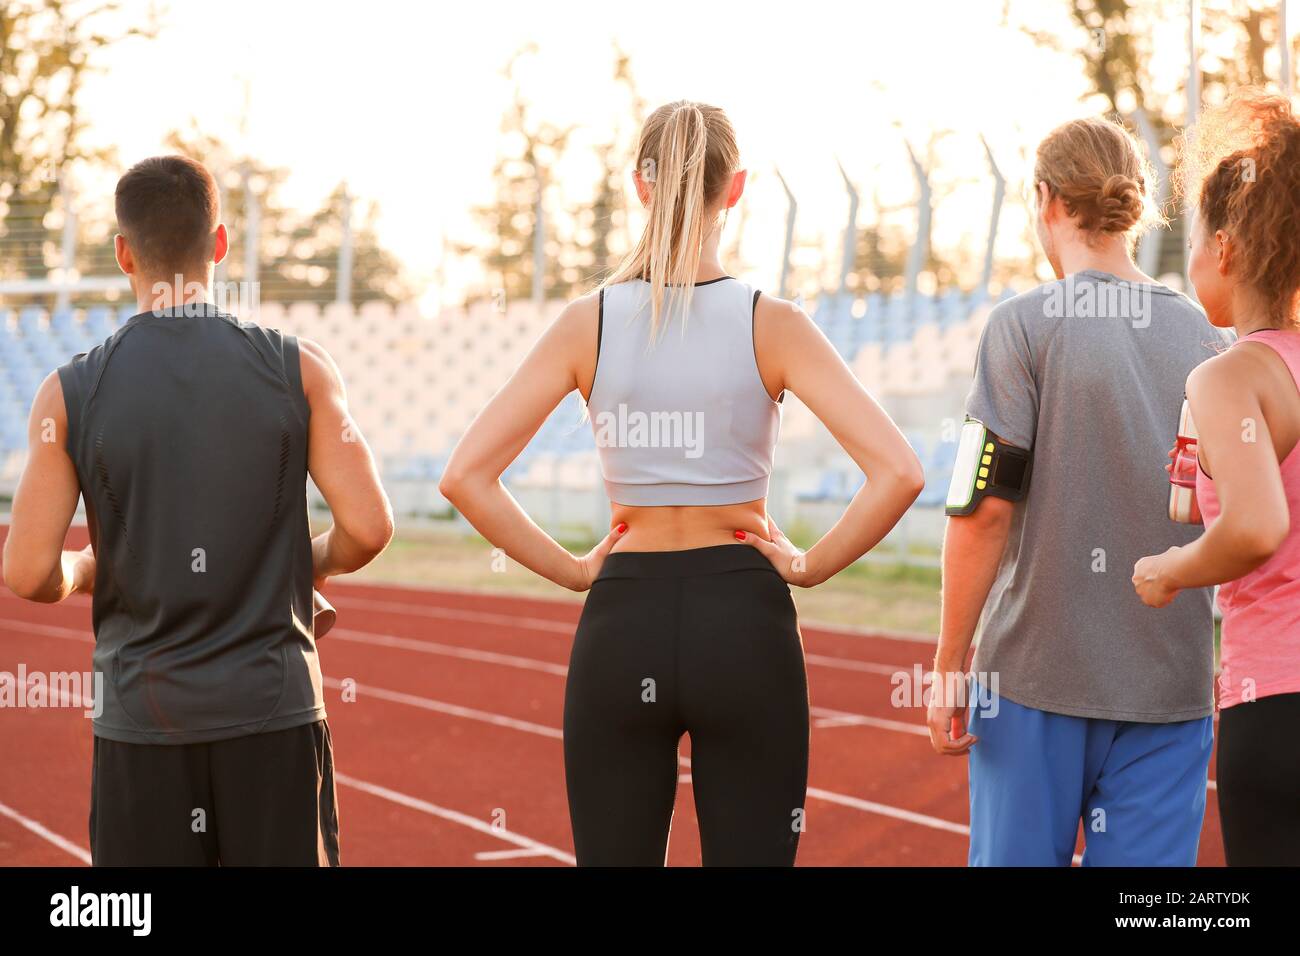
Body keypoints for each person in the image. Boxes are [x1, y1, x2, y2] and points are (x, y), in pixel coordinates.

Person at [440, 100, 923, 866]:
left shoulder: (584, 323)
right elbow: (900, 471)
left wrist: (573, 570)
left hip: (622, 618)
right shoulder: (775, 322)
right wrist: (807, 565)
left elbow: (465, 476)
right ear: (734, 190)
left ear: (640, 185)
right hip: (745, 620)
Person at [2, 155, 394, 865]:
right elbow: (369, 527)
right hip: (274, 715)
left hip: (142, 724)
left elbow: (28, 573)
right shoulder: (298, 368)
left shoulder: (69, 393)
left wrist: (87, 569)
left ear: (123, 253)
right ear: (218, 244)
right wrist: (314, 559)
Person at [928, 116, 1224, 866]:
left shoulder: (1021, 328)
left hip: (1034, 680)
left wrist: (948, 663)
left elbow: (983, 509)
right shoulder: (1206, 338)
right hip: (1170, 684)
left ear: (1045, 199)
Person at [1133, 90, 1300, 866]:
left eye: (1195, 239)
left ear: (1227, 249)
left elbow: (1258, 525)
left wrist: (1173, 570)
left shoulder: (1231, 375)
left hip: (1278, 701)